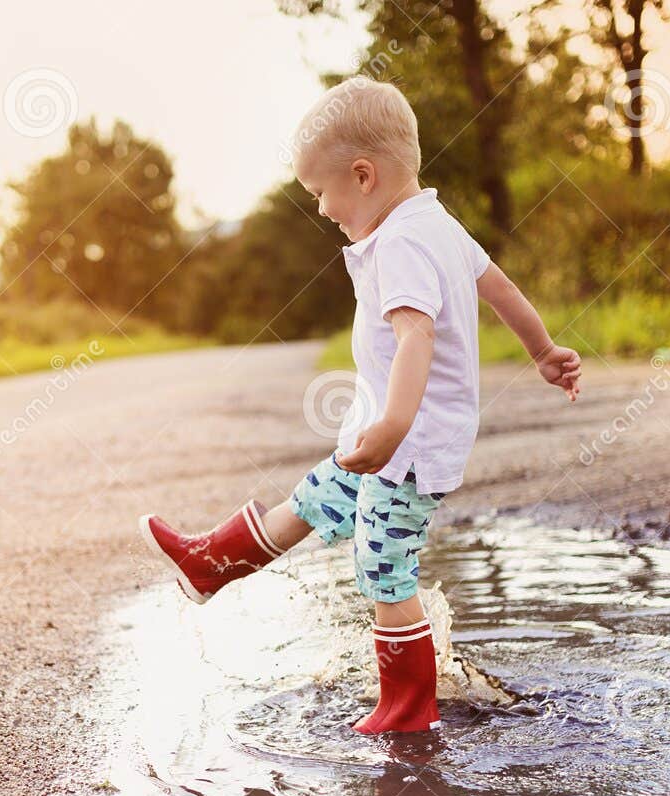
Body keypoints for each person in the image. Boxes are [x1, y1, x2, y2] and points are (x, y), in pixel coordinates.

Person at [139, 78, 580, 734]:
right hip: (391, 437)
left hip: (404, 447)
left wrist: (392, 427)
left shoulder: (401, 241)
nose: (321, 209)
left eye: (321, 192)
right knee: (314, 498)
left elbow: (415, 337)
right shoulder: (438, 223)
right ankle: (211, 563)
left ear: (363, 175)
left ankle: (408, 710)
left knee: (384, 565)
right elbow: (501, 287)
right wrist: (543, 350)